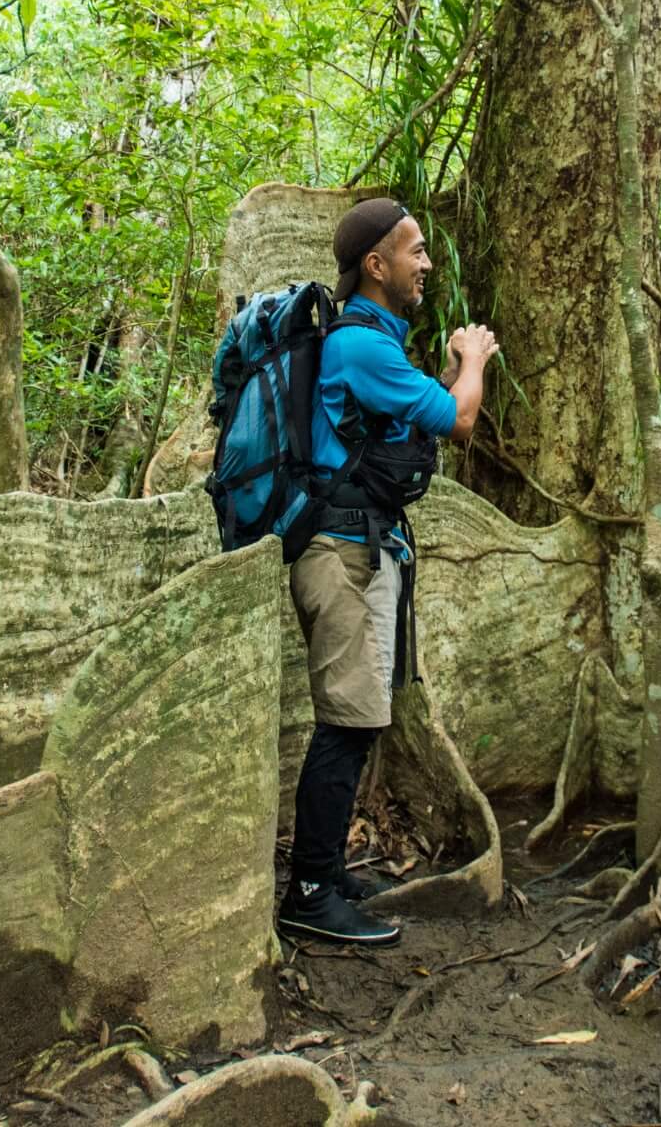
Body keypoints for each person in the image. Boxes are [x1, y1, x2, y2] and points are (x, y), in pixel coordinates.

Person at [277, 196, 498, 947]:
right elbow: (461, 419)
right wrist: (472, 362)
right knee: (346, 722)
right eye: (415, 251)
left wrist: (446, 375)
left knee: (361, 717)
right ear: (377, 266)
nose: (427, 264)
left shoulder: (375, 345)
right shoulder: (359, 347)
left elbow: (422, 415)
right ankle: (308, 892)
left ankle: (329, 873)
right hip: (338, 555)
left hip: (362, 549)